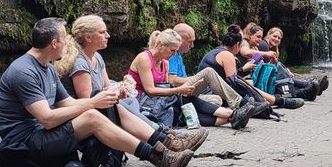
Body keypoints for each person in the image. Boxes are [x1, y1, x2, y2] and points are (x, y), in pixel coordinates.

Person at [0, 18, 191, 167]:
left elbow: (68, 102)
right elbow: (47, 119)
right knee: (92, 115)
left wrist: (102, 100)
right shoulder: (24, 71)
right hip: (24, 143)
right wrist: (93, 103)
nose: (68, 43)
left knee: (105, 103)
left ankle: (163, 143)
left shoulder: (48, 68)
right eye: (64, 38)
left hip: (42, 133)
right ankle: (157, 157)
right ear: (54, 43)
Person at [54, 15, 208, 154]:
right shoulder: (80, 64)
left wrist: (121, 87)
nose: (108, 35)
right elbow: (88, 100)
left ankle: (164, 139)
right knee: (123, 105)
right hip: (83, 115)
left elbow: (106, 87)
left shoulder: (97, 57)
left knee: (129, 101)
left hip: (104, 106)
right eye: (102, 32)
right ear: (88, 37)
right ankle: (164, 138)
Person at [128, 29, 256, 128]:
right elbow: (150, 90)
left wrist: (181, 90)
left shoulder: (165, 63)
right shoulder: (144, 59)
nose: (174, 54)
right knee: (183, 99)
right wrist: (178, 90)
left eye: (176, 51)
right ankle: (232, 114)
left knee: (186, 105)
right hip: (142, 102)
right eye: (172, 50)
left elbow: (165, 89)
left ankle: (233, 118)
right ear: (160, 45)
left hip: (160, 102)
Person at [199, 25, 304, 109]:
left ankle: (280, 98)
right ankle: (279, 100)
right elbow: (233, 83)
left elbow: (230, 78)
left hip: (214, 88)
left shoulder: (220, 51)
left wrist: (245, 69)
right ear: (238, 44)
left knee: (251, 82)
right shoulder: (227, 55)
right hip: (210, 91)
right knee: (246, 84)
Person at [167, 23, 244, 109]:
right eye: (190, 42)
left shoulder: (178, 55)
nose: (192, 46)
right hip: (179, 93)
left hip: (187, 92)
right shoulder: (172, 55)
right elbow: (171, 80)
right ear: (180, 40)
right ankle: (239, 103)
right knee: (208, 72)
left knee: (216, 100)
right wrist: (197, 78)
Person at [261, 27, 329, 98]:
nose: (276, 39)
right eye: (274, 36)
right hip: (272, 83)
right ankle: (310, 90)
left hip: (275, 80)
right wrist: (285, 72)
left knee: (289, 82)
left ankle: (312, 87)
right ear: (268, 35)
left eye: (279, 38)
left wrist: (286, 71)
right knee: (288, 93)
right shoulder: (263, 46)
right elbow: (265, 67)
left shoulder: (268, 47)